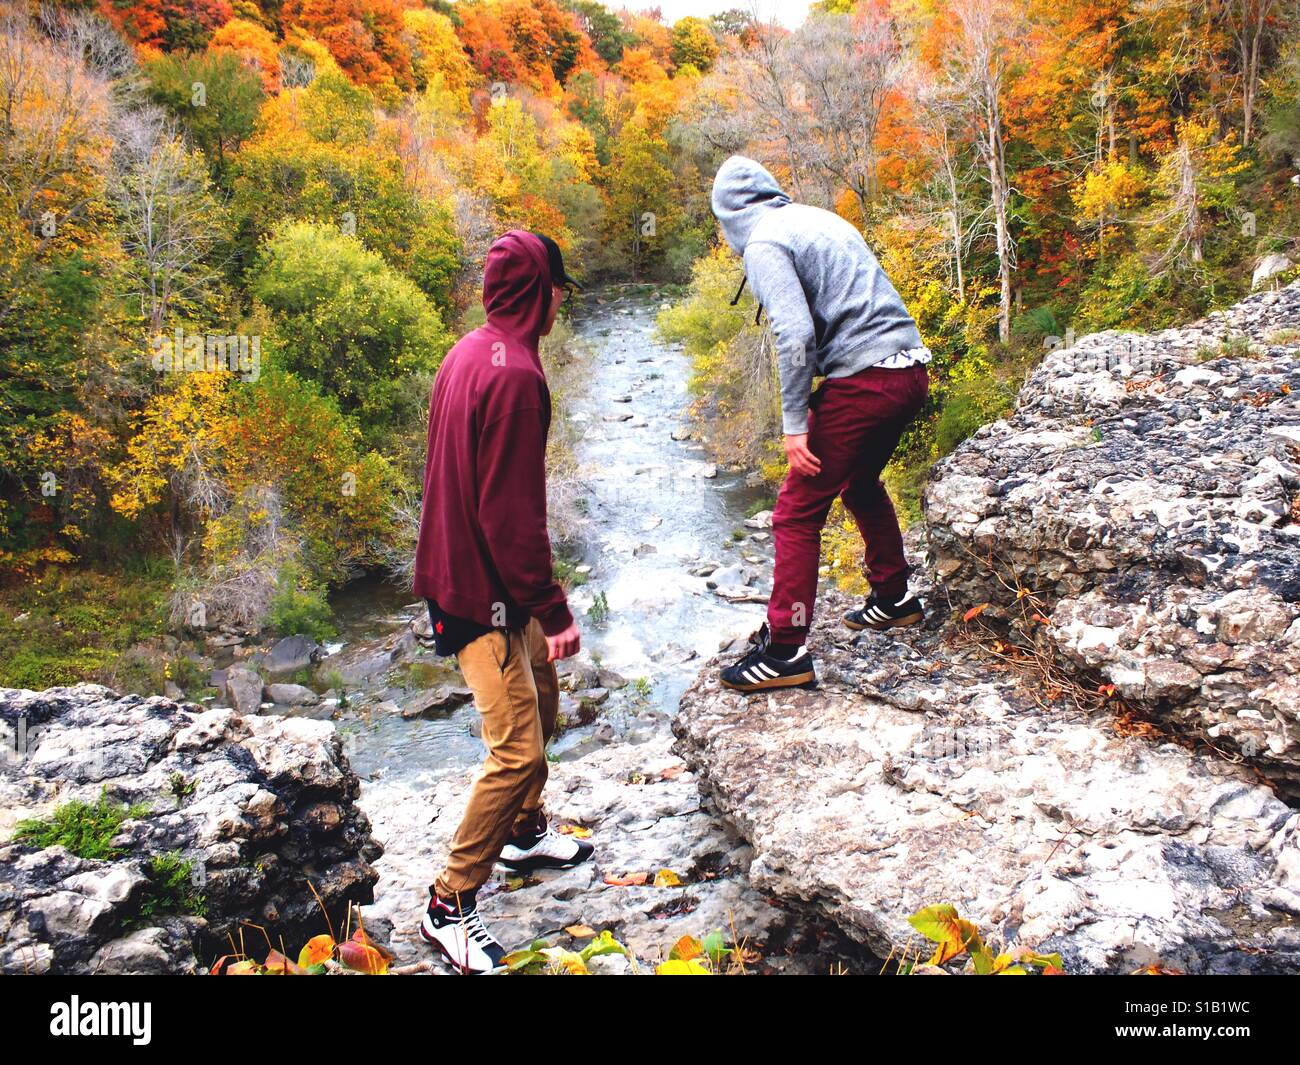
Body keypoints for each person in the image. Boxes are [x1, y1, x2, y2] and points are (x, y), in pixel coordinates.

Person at [412, 230, 590, 974]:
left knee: (541, 702)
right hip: (477, 592)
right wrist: (552, 608)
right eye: (556, 289)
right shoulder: (514, 376)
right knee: (517, 747)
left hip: (476, 578)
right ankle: (448, 902)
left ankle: (522, 830)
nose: (560, 303)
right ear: (537, 293)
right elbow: (510, 516)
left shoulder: (469, 351)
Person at [710, 156, 930, 693]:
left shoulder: (764, 241)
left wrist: (793, 424)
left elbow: (795, 334)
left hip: (865, 381)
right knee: (859, 482)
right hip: (908, 371)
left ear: (730, 215)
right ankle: (893, 598)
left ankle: (786, 649)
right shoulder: (819, 219)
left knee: (795, 513)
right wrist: (817, 398)